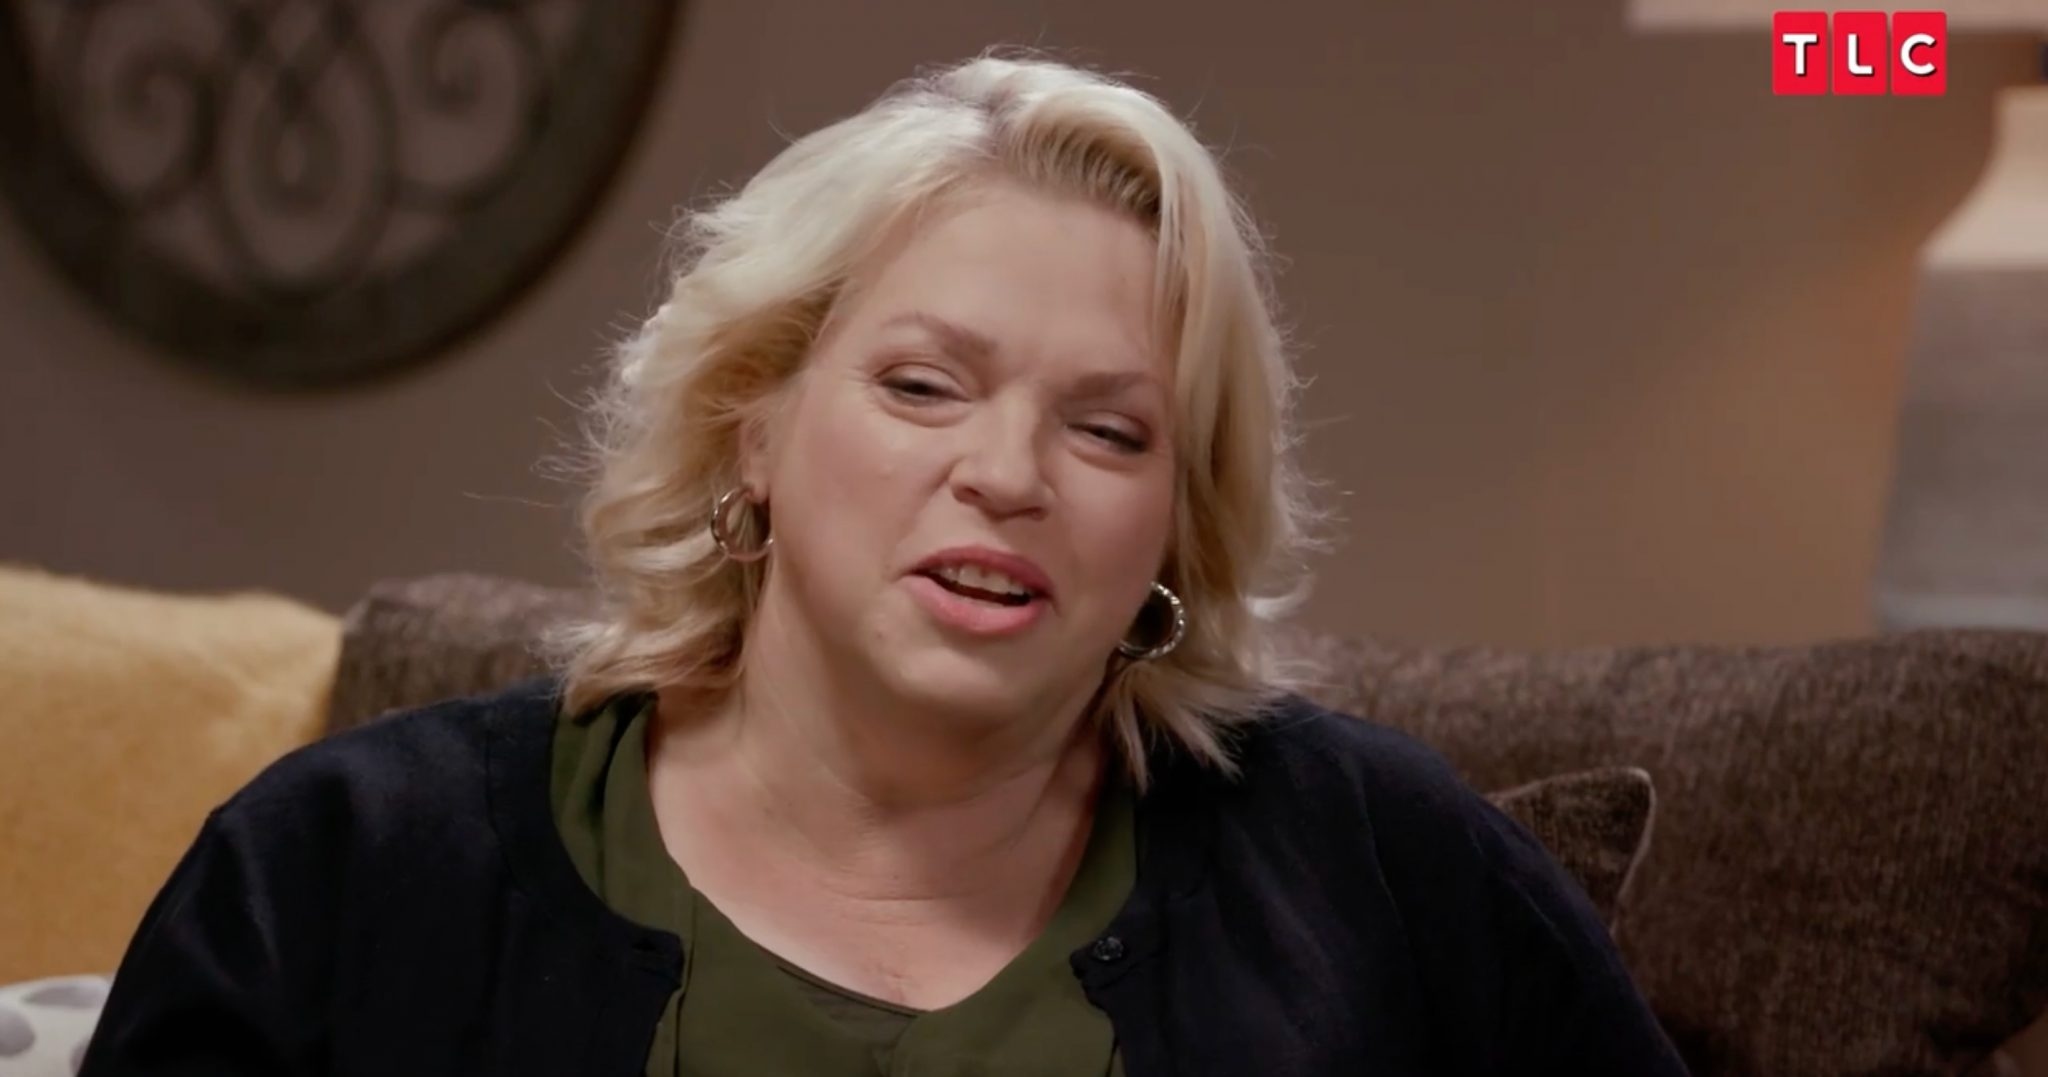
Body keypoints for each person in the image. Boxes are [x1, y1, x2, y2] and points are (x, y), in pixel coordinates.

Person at [80, 51, 1689, 1076]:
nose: (1008, 473)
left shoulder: (1376, 870)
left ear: (1173, 527)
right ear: (754, 430)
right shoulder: (343, 872)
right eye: (923, 386)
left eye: (1109, 430)